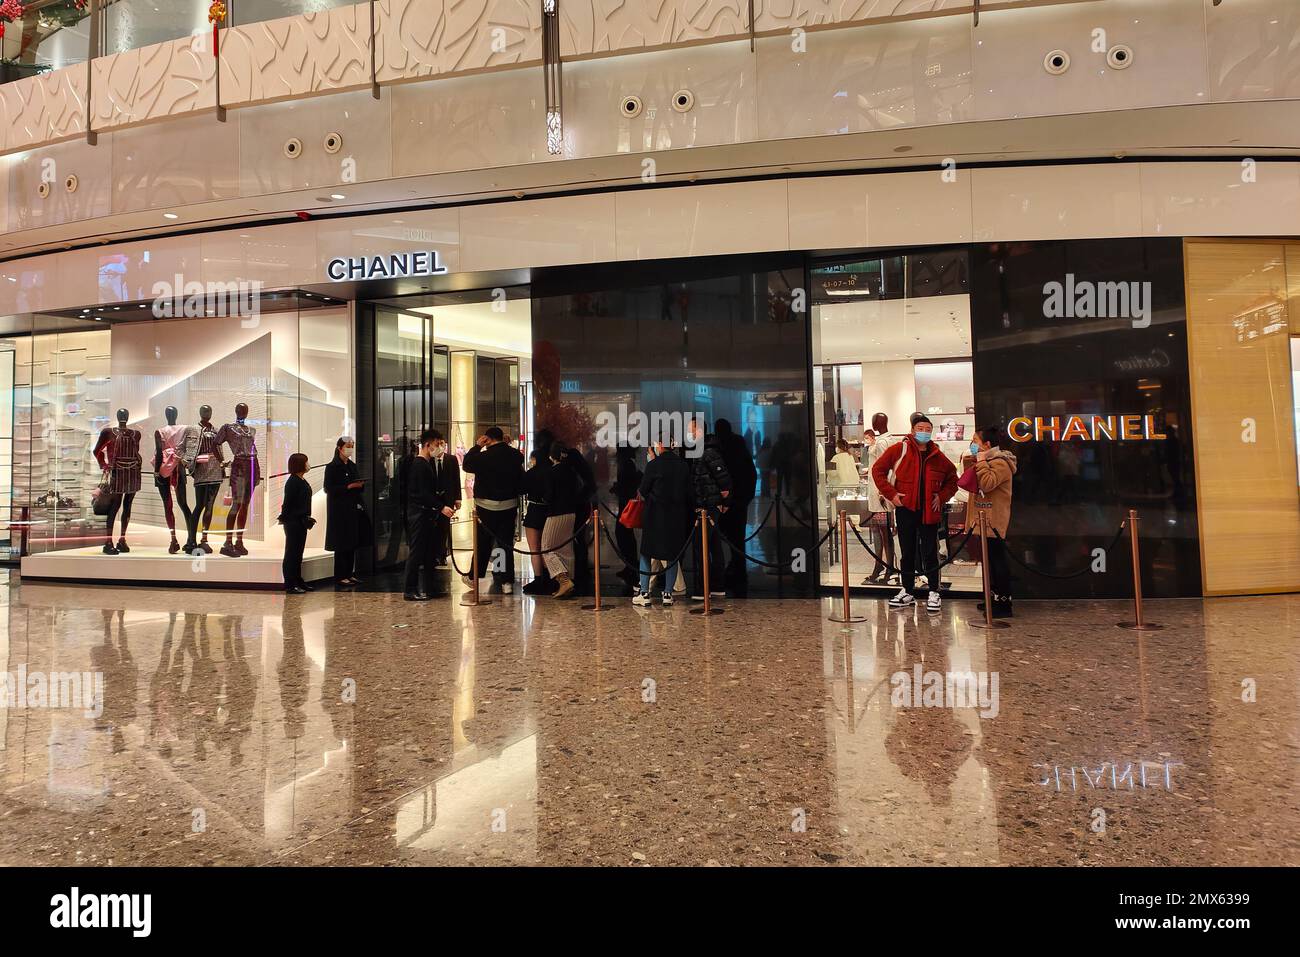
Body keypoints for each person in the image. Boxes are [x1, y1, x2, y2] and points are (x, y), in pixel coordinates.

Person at [871, 414, 957, 613]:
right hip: (906, 510)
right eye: (920, 428)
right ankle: (907, 590)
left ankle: (934, 591)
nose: (924, 432)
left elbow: (953, 479)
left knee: (930, 553)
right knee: (907, 552)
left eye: (928, 429)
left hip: (929, 512)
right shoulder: (898, 449)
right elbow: (878, 470)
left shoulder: (937, 455)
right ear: (912, 430)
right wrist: (892, 494)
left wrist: (941, 496)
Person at [962, 425, 1017, 618]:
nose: (972, 445)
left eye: (975, 441)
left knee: (997, 560)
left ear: (987, 444)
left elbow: (987, 483)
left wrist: (982, 461)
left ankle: (1004, 602)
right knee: (988, 561)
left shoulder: (1001, 463)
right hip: (982, 518)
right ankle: (990, 597)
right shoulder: (985, 460)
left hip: (994, 520)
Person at [462, 426, 524, 594]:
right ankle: (506, 582)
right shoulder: (515, 456)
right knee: (505, 543)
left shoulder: (482, 457)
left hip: (485, 505)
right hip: (509, 505)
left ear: (487, 439)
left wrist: (477, 446)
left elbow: (466, 465)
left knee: (483, 543)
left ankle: (474, 576)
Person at [633, 440, 691, 606]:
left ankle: (644, 593)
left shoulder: (654, 465)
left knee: (646, 552)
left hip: (654, 516)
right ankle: (667, 593)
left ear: (659, 445)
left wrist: (651, 461)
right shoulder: (683, 465)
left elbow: (643, 490)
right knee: (672, 555)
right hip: (676, 517)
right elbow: (688, 492)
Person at [686, 417, 732, 600]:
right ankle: (716, 586)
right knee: (712, 546)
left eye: (691, 429)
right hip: (707, 505)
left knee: (702, 545)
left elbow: (724, 480)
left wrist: (724, 503)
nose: (689, 433)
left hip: (709, 507)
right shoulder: (701, 451)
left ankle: (703, 588)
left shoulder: (708, 452)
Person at [713, 418, 757, 597]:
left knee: (721, 538)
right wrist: (745, 499)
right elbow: (750, 474)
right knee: (737, 539)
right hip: (738, 502)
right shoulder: (739, 447)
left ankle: (725, 573)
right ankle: (738, 571)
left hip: (725, 502)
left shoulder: (720, 449)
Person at [403, 430, 449, 602]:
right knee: (417, 552)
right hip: (420, 514)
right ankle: (410, 589)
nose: (439, 448)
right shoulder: (419, 465)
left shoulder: (427, 464)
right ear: (428, 445)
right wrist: (441, 506)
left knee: (429, 552)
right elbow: (422, 493)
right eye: (437, 444)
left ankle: (430, 587)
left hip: (427, 514)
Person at [539, 442, 583, 599]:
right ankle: (569, 583)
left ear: (552, 456)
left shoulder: (552, 472)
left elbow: (548, 496)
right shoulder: (572, 471)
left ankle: (564, 581)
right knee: (565, 549)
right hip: (571, 514)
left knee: (546, 547)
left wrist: (544, 498)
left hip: (556, 514)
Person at [323, 436, 369, 587]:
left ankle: (350, 573)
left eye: (352, 446)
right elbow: (328, 488)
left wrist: (359, 485)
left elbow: (358, 484)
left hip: (352, 509)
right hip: (339, 510)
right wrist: (347, 487)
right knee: (341, 544)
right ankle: (341, 575)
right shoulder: (332, 467)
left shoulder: (352, 465)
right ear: (339, 448)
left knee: (352, 543)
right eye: (348, 446)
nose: (350, 449)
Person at [278, 453, 314, 594]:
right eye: (306, 462)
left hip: (301, 520)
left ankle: (298, 580)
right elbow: (287, 504)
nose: (308, 464)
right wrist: (287, 518)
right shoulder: (293, 482)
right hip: (293, 522)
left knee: (298, 553)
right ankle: (290, 583)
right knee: (292, 553)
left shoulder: (302, 480)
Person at [611, 444, 642, 595]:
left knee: (623, 534)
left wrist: (617, 488)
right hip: (627, 503)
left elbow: (627, 484)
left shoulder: (626, 464)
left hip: (626, 505)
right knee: (626, 535)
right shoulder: (630, 462)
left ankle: (631, 566)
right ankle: (630, 565)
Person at [428, 432, 462, 566]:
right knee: (432, 528)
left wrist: (457, 498)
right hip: (433, 499)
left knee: (444, 528)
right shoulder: (429, 460)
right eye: (438, 444)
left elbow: (456, 480)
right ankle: (433, 554)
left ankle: (442, 554)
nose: (440, 446)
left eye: (442, 444)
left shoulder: (452, 459)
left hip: (447, 499)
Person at [521, 450, 552, 594]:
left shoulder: (531, 473)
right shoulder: (552, 472)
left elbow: (521, 489)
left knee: (535, 549)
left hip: (534, 510)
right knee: (547, 547)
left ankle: (538, 579)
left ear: (534, 459)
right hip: (549, 511)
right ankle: (549, 578)